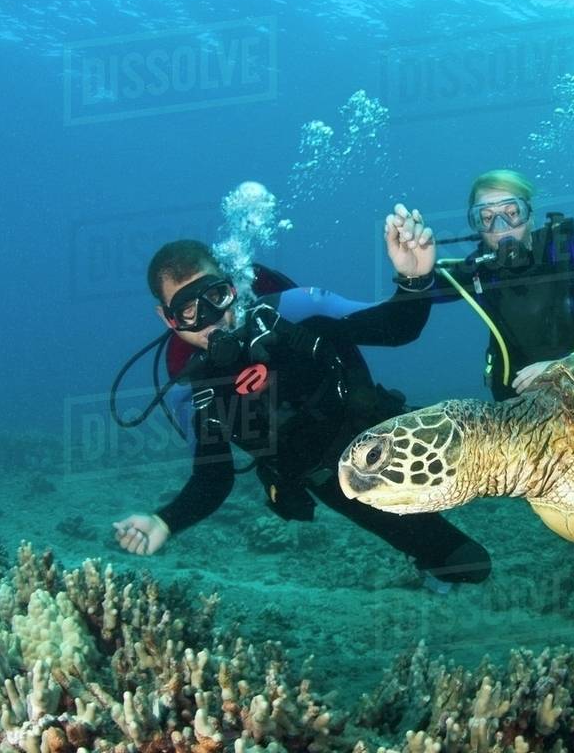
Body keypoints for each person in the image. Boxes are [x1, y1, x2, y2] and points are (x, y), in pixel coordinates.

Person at [111, 214, 490, 588]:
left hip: (384, 429)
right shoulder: (191, 387)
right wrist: (164, 521)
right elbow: (213, 476)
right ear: (167, 318)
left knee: (504, 467)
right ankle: (431, 569)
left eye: (215, 297)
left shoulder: (292, 309)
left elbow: (395, 328)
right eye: (188, 311)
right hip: (334, 480)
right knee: (469, 564)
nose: (212, 320)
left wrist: (415, 279)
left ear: (232, 285)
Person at [425, 169, 574, 401]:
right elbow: (407, 318)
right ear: (477, 225)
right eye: (487, 218)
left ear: (530, 214)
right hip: (517, 402)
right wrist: (413, 274)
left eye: (512, 212)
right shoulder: (478, 270)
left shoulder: (572, 256)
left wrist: (564, 368)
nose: (500, 226)